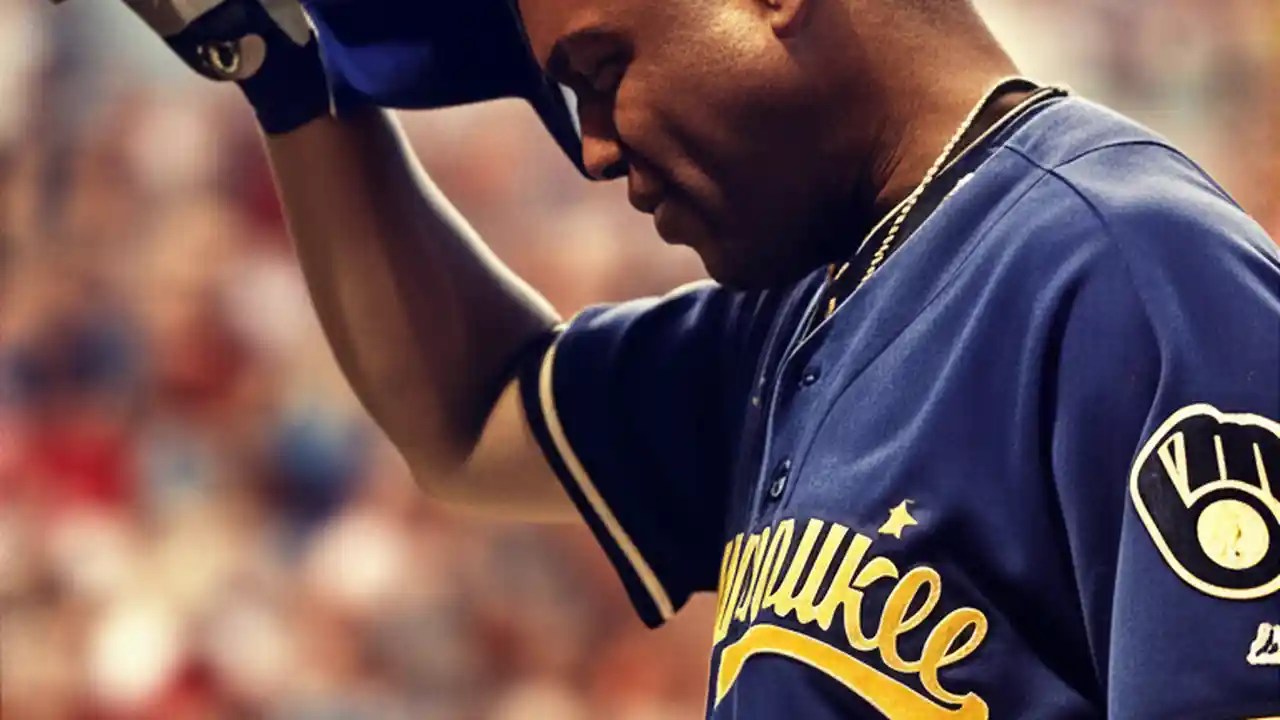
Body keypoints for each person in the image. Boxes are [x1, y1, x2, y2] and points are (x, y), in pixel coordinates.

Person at [108, 0, 1280, 717]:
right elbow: (464, 419)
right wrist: (283, 78)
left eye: (599, 73)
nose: (595, 150)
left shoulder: (1123, 265)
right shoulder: (797, 319)